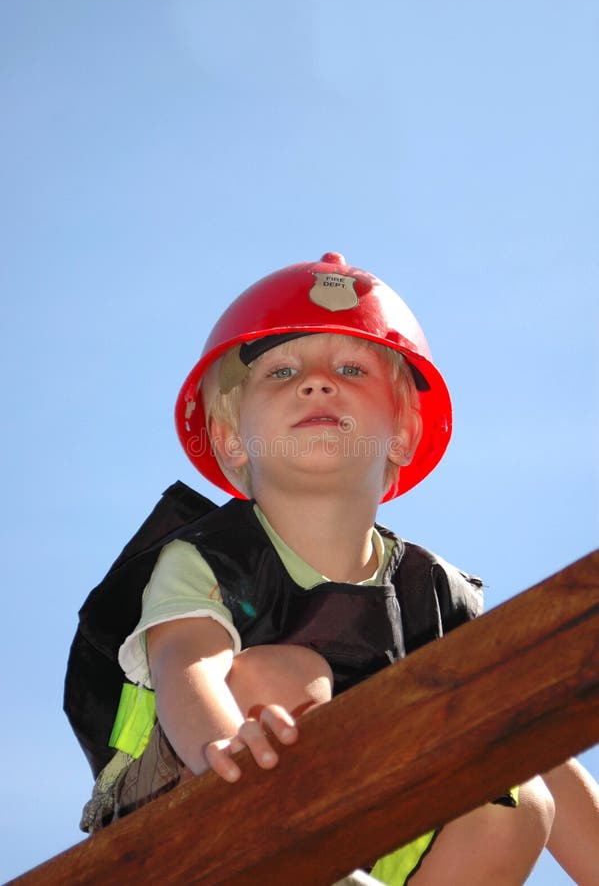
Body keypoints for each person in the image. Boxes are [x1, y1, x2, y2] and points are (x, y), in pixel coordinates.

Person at [80, 252, 598, 884]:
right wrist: (222, 757)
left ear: (403, 432)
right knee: (289, 678)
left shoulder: (432, 594)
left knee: (520, 788)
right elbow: (187, 662)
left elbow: (535, 732)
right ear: (232, 436)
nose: (317, 383)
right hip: (184, 810)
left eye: (351, 368)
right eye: (282, 371)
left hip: (345, 824)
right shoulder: (211, 555)